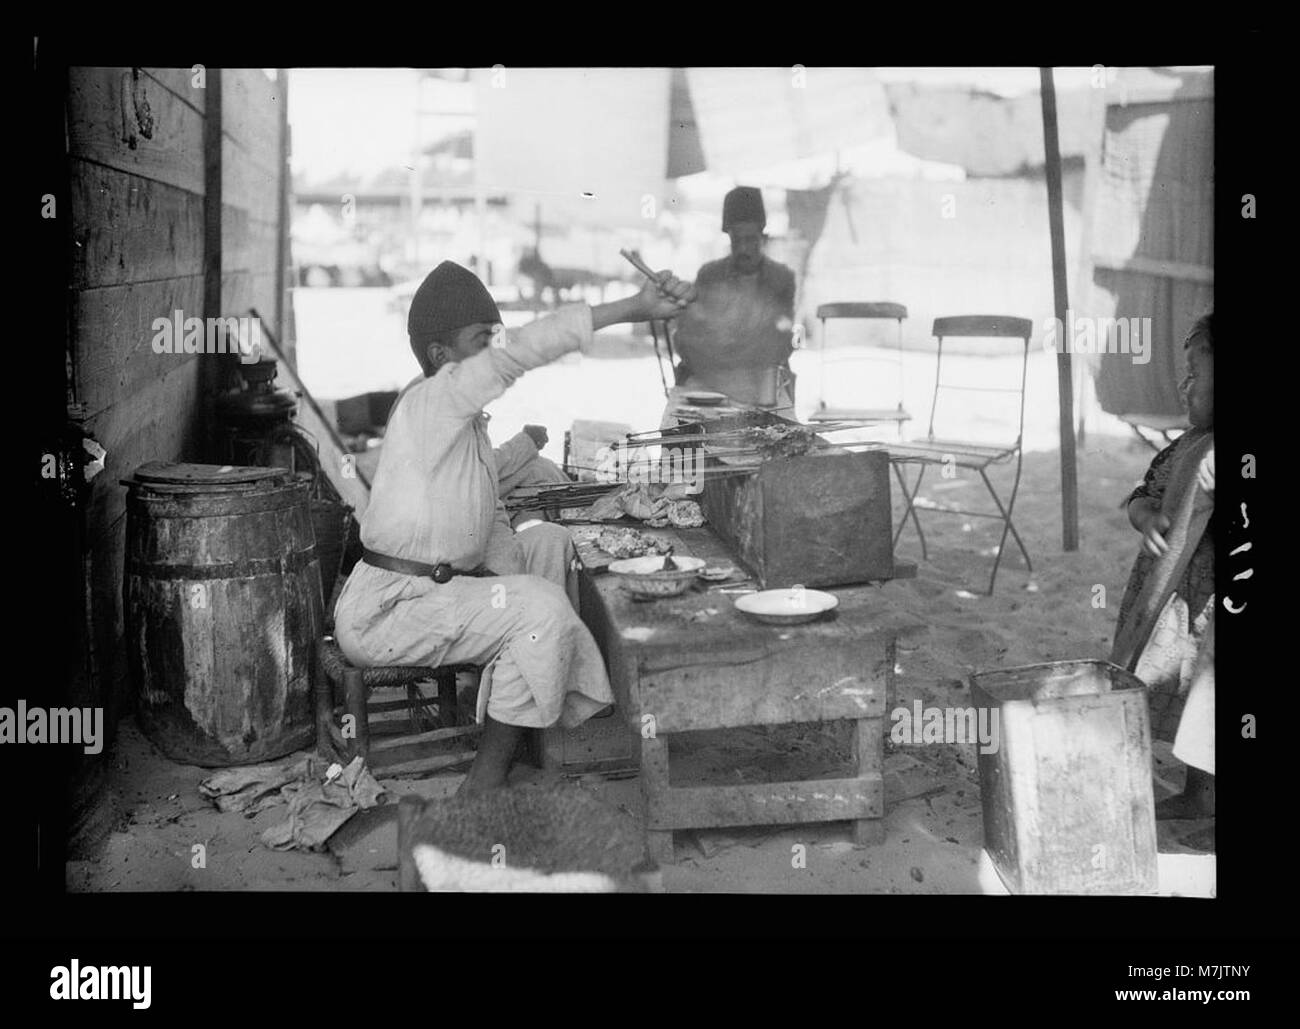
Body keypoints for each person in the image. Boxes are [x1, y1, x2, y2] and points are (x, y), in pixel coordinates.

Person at [333, 260, 695, 795]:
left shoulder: (458, 419)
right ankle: (485, 780)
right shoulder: (429, 401)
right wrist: (631, 309)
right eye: (483, 339)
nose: (496, 348)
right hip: (389, 612)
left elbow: (482, 488)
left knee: (548, 542)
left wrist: (525, 450)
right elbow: (526, 348)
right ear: (441, 357)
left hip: (430, 592)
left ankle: (530, 724)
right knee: (538, 610)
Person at [1113, 314, 1215, 826]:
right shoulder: (1186, 446)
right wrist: (1147, 516)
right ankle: (1200, 795)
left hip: (1213, 604)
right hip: (1172, 600)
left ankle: (1206, 796)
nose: (1183, 385)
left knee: (1211, 694)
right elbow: (1139, 494)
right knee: (1188, 690)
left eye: (1196, 375)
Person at [664, 186, 798, 420]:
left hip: (762, 382)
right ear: (728, 238)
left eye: (751, 240)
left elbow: (782, 340)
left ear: (763, 237)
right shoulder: (709, 275)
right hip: (711, 378)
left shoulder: (781, 279)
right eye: (737, 241)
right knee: (684, 433)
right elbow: (689, 336)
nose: (744, 249)